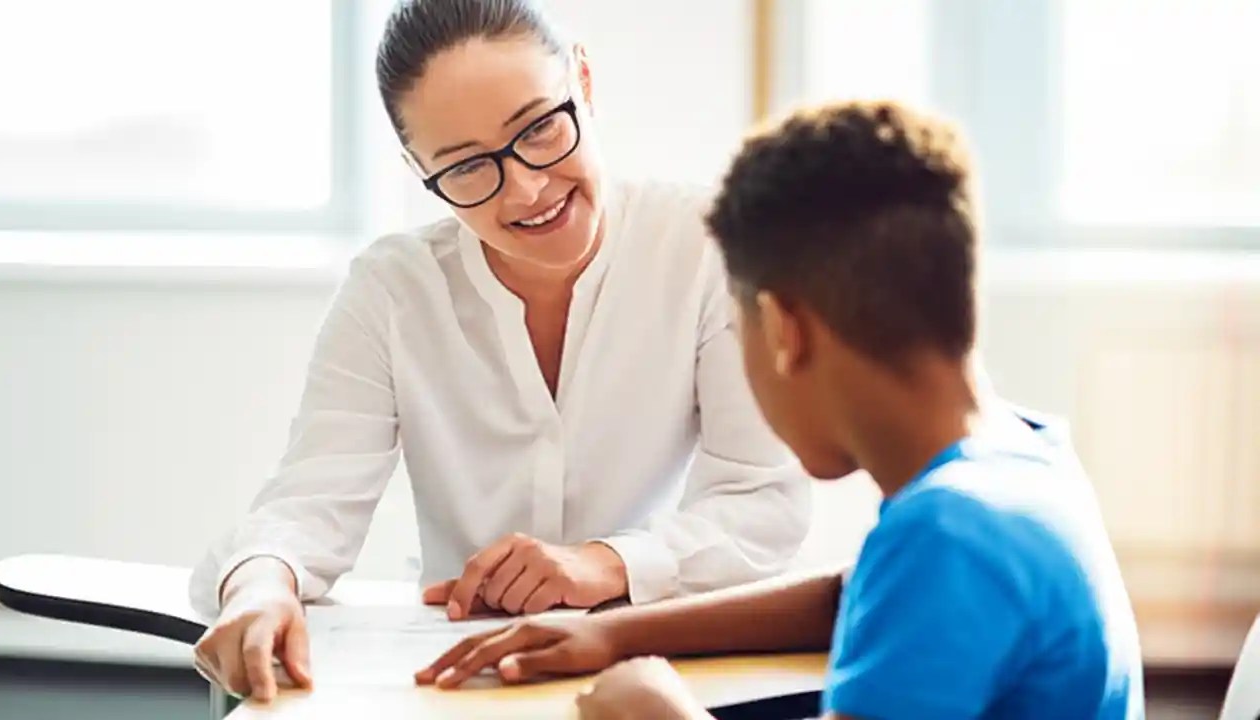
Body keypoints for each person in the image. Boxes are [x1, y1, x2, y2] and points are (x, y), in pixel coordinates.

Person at [416, 99, 1146, 720]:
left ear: (787, 331)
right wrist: (615, 636)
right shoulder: (1016, 461)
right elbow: (849, 594)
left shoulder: (951, 534)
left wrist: (658, 712)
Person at [187, 0, 812, 703]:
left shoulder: (708, 248)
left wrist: (604, 565)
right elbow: (307, 503)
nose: (526, 187)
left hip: (667, 672)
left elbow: (761, 507)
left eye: (541, 128)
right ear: (416, 167)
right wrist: (261, 585)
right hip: (466, 675)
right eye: (464, 168)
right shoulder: (391, 290)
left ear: (583, 80)